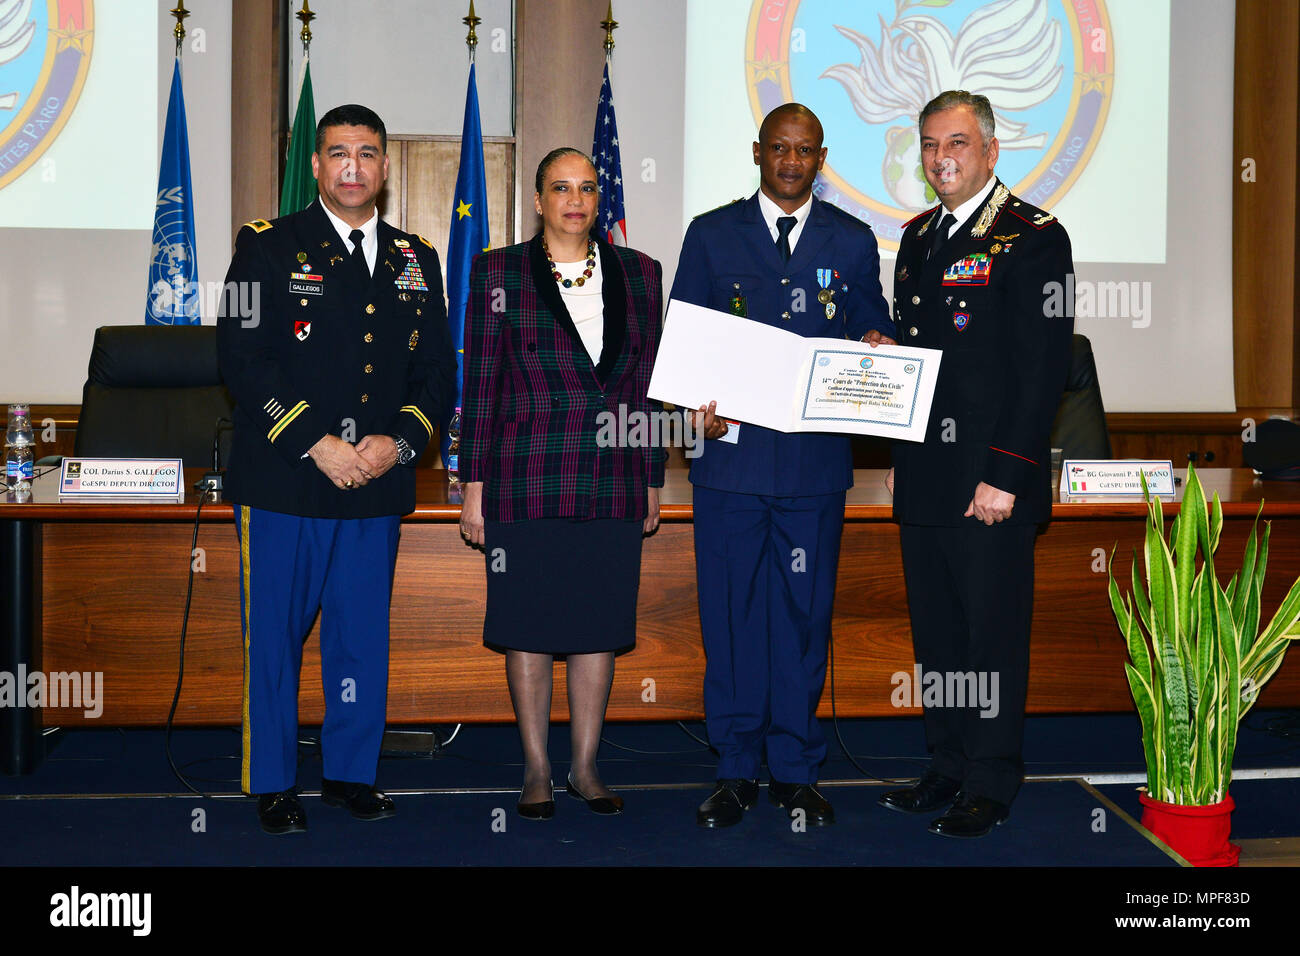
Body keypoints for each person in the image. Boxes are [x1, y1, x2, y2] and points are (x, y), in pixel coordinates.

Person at [217, 104, 457, 835]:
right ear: (316, 166)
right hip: (287, 479)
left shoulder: (417, 257)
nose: (353, 166)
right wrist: (318, 443)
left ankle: (351, 772)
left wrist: (399, 445)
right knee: (277, 638)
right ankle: (274, 784)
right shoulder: (265, 247)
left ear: (385, 168)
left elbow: (436, 377)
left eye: (367, 153)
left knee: (360, 637)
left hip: (376, 482)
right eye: (338, 153)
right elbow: (240, 358)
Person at [671, 103, 894, 828]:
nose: (791, 162)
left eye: (805, 152)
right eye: (779, 149)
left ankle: (797, 769)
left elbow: (875, 322)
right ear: (758, 152)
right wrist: (688, 406)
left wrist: (876, 342)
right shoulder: (711, 234)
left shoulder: (852, 240)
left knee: (803, 618)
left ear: (820, 158)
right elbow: (683, 343)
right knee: (730, 619)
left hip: (812, 469)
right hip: (730, 466)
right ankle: (735, 768)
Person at [879, 90, 1073, 837]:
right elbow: (929, 356)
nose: (941, 158)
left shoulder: (1035, 238)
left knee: (990, 635)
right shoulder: (918, 235)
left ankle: (992, 779)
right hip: (927, 474)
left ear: (990, 151)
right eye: (930, 144)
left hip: (991, 479)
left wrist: (1009, 474)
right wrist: (897, 427)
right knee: (938, 637)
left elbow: (1042, 369)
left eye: (956, 143)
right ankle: (949, 765)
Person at [458, 147, 664, 820]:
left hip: (613, 477)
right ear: (539, 200)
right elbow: (482, 386)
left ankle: (585, 766)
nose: (575, 199)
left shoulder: (640, 274)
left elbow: (648, 389)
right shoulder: (500, 272)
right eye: (560, 188)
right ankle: (538, 769)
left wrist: (654, 478)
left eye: (587, 188)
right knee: (529, 626)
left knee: (597, 626)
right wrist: (474, 484)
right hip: (526, 475)